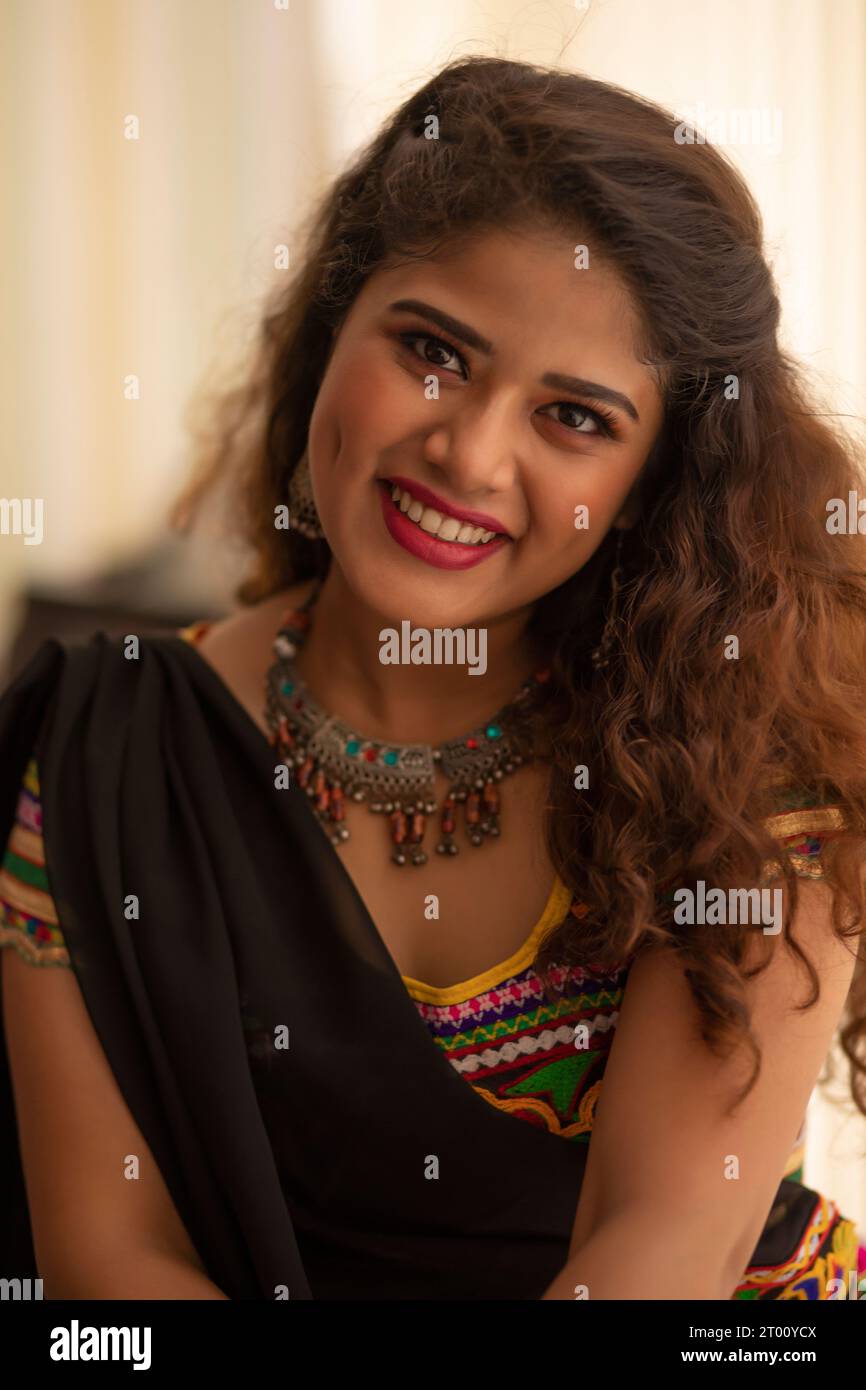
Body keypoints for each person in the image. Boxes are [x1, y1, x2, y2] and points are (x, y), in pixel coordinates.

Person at [2, 55, 866, 1302]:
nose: (467, 453)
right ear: (328, 329)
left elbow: (656, 1254)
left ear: (645, 493)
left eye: (572, 417)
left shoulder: (742, 772)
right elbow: (109, 1258)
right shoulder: (105, 752)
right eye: (432, 350)